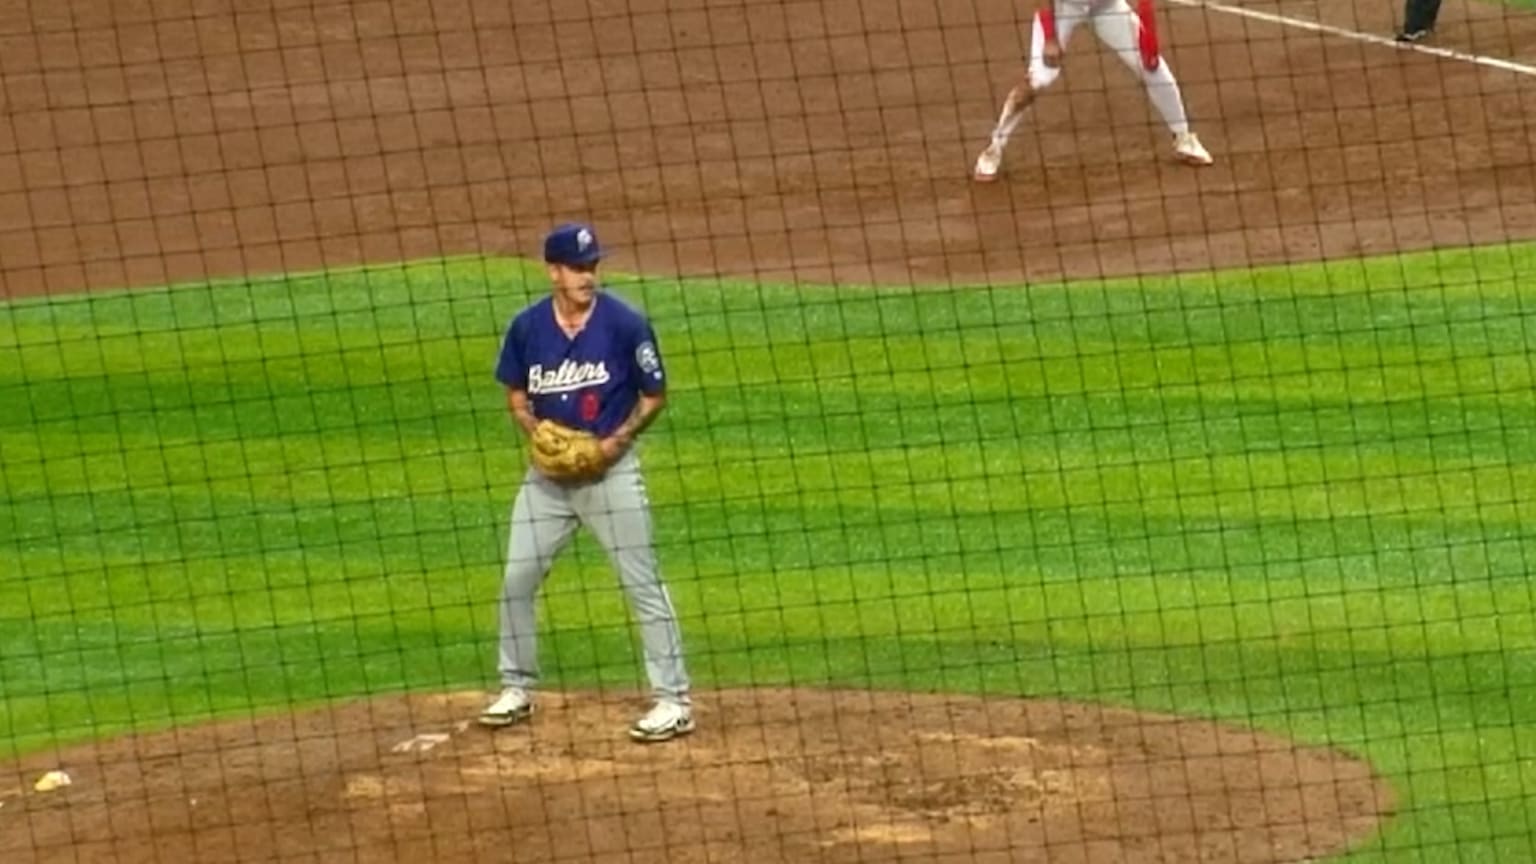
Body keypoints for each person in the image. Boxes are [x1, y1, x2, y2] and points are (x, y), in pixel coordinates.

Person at [479, 221, 694, 743]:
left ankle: (674, 701)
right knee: (517, 579)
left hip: (610, 477)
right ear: (552, 271)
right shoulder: (527, 328)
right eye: (577, 267)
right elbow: (516, 396)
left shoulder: (625, 324)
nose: (587, 276)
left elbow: (654, 395)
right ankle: (516, 687)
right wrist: (536, 431)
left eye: (591, 265)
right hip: (547, 483)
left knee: (642, 583)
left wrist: (616, 442)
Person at [973, 0, 1213, 182]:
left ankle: (1184, 138)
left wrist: (1148, 36)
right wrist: (1050, 38)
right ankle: (994, 149)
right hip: (1063, 9)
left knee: (1153, 68)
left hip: (1107, 7)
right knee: (1039, 80)